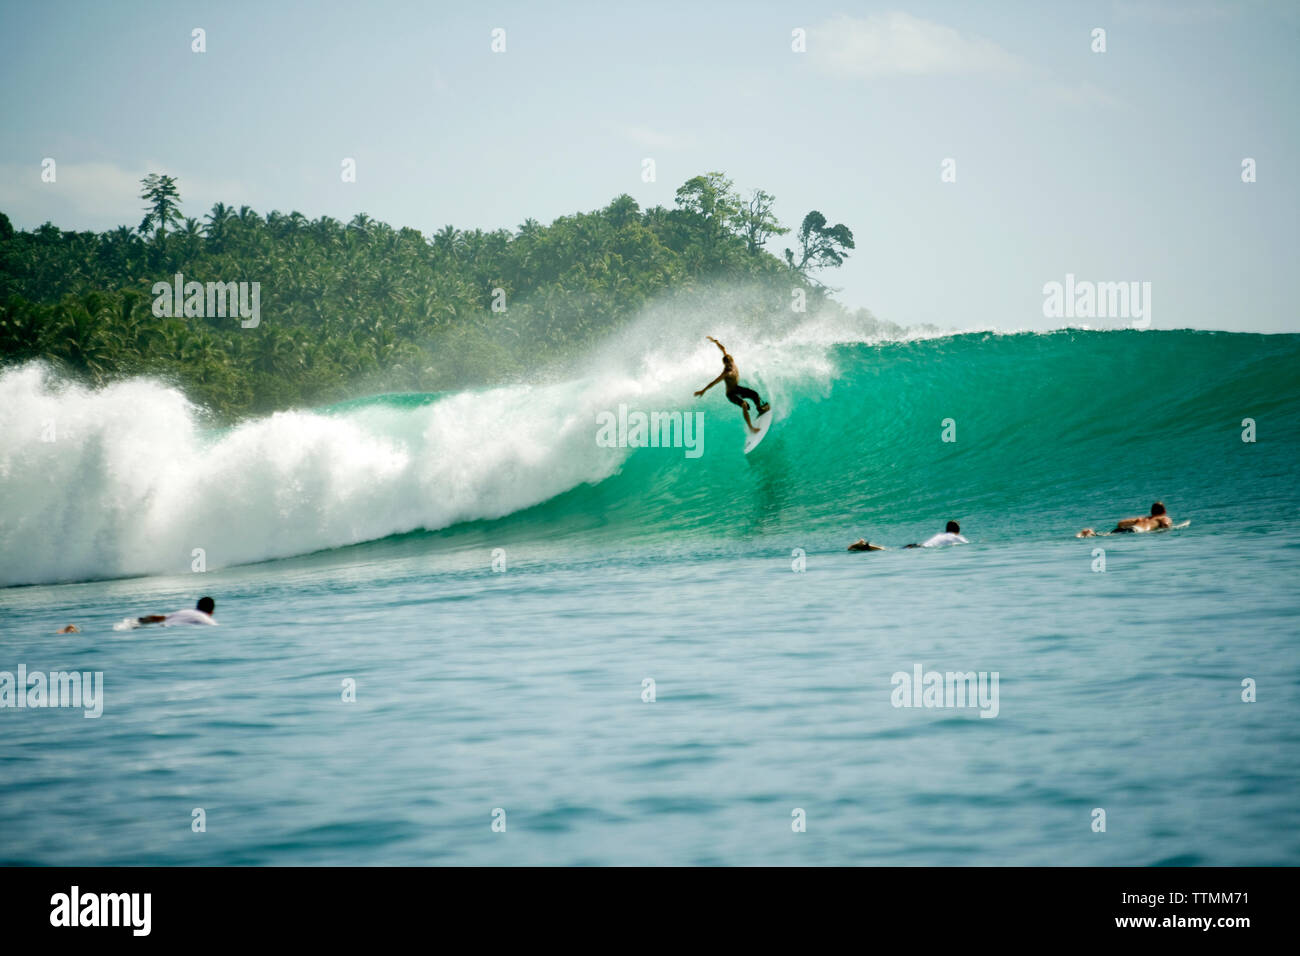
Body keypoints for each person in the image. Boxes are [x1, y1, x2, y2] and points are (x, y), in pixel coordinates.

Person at [694, 336, 770, 434]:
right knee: (744, 405)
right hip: (731, 394)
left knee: (754, 394)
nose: (728, 366)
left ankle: (759, 408)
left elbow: (723, 349)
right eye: (726, 365)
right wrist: (703, 391)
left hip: (737, 388)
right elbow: (714, 382)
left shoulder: (731, 361)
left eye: (729, 364)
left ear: (731, 361)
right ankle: (751, 428)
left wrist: (716, 342)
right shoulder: (725, 373)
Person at [1077, 502, 1173, 537]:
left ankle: (1089, 532)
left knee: (1107, 534)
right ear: (1164, 511)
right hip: (1136, 531)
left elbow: (1120, 524)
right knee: (1107, 536)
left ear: (1151, 511)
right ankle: (1091, 533)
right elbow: (1166, 524)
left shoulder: (1142, 519)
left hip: (1130, 528)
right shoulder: (1163, 518)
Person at [136, 596, 218, 627]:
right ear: (211, 613)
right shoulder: (209, 621)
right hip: (167, 629)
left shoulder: (184, 611)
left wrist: (140, 621)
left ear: (196, 607)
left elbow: (159, 618)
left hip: (162, 625)